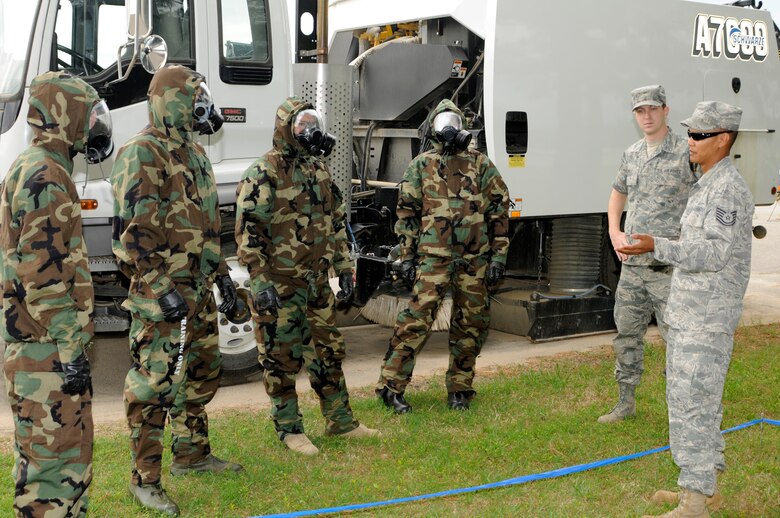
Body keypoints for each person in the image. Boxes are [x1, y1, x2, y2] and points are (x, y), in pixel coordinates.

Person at [111, 64, 243, 516]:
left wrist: (222, 274)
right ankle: (144, 478)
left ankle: (192, 454)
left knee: (201, 374)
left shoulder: (195, 152)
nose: (202, 102)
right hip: (160, 296)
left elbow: (208, 226)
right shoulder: (141, 153)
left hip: (199, 289)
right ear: (170, 101)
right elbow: (133, 233)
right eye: (194, 94)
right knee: (154, 386)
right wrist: (161, 286)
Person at [618, 101, 750, 517]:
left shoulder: (726, 188)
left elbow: (712, 253)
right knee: (690, 399)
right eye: (690, 134)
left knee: (694, 402)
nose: (689, 141)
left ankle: (695, 501)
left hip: (706, 318)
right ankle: (699, 486)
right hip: (689, 313)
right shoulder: (706, 182)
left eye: (698, 136)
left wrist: (658, 245)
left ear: (722, 140)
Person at [236, 96, 379, 456]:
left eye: (312, 124)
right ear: (286, 128)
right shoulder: (263, 172)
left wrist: (344, 269)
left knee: (328, 352)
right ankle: (289, 429)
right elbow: (248, 232)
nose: (309, 131)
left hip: (317, 285)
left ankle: (340, 421)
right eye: (301, 125)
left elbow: (334, 225)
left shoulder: (319, 170)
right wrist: (259, 281)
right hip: (280, 286)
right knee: (282, 360)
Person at [0, 71, 113, 516]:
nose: (94, 125)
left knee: (67, 458)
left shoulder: (40, 166)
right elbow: (41, 275)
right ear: (66, 117)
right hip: (45, 349)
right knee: (51, 471)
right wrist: (70, 345)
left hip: (43, 346)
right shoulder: (45, 174)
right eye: (88, 113)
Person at [375, 99, 510, 413]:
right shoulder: (421, 166)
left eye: (454, 121)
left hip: (474, 259)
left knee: (472, 323)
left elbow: (500, 210)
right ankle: (390, 387)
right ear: (434, 128)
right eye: (442, 122)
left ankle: (460, 388)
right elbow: (406, 214)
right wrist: (406, 257)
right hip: (433, 259)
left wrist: (499, 257)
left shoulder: (481, 165)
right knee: (415, 322)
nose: (449, 128)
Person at [599, 85, 695, 423]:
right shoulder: (633, 153)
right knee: (626, 335)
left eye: (653, 109)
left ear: (666, 110)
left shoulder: (687, 152)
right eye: (640, 111)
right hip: (634, 267)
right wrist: (614, 232)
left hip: (670, 268)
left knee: (678, 340)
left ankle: (679, 408)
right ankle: (625, 403)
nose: (647, 116)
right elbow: (617, 192)